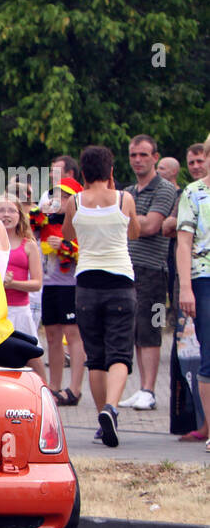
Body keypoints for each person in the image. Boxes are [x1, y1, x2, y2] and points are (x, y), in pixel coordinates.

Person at [64, 145, 139, 448]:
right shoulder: (124, 199)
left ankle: (101, 418)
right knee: (119, 353)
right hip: (120, 281)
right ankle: (112, 407)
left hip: (87, 284)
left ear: (82, 173)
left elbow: (69, 234)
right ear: (110, 172)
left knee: (95, 357)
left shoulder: (75, 201)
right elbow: (133, 232)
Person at [119, 134, 178, 411]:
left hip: (154, 269)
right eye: (134, 155)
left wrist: (127, 218)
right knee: (136, 331)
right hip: (129, 268)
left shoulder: (164, 189)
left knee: (152, 327)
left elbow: (152, 225)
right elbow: (132, 226)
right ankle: (142, 387)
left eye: (143, 155)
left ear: (155, 157)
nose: (138, 160)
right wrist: (134, 221)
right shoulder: (130, 190)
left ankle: (150, 389)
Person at [39, 156, 87, 406]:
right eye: (57, 194)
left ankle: (74, 388)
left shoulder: (81, 220)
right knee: (52, 335)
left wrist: (66, 246)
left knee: (73, 333)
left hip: (72, 283)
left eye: (66, 196)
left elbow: (87, 250)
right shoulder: (45, 220)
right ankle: (54, 387)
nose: (60, 200)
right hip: (49, 283)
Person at [176, 167, 210, 451]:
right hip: (204, 279)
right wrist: (185, 287)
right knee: (209, 355)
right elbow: (184, 243)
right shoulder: (194, 192)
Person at [0, 194, 47, 382]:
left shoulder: (29, 245)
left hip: (20, 310)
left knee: (32, 355)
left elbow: (37, 283)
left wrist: (13, 284)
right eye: (1, 210)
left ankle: (45, 392)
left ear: (19, 215)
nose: (6, 215)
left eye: (11, 210)